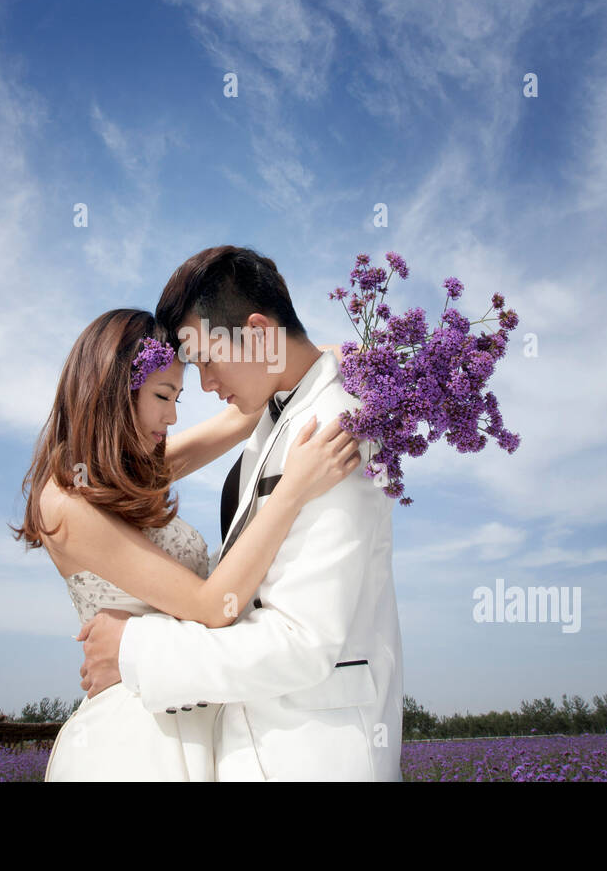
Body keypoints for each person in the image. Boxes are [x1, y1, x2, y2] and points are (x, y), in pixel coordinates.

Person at [78, 246, 405, 781]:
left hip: (310, 760)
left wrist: (135, 648)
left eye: (205, 360)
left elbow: (303, 643)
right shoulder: (275, 417)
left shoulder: (335, 426)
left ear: (255, 333)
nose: (204, 384)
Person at [12, 307, 361, 780]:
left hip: (191, 711)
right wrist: (293, 489)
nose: (172, 416)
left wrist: (329, 358)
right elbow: (212, 605)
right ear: (112, 390)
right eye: (162, 395)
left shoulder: (126, 477)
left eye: (176, 396)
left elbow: (239, 419)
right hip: (134, 741)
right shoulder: (66, 501)